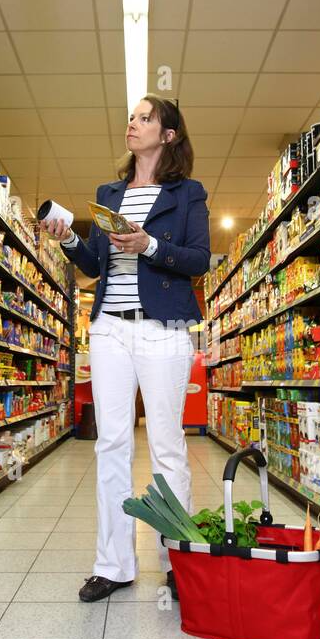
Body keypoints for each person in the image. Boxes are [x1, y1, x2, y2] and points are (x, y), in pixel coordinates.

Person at [40, 95, 211, 602]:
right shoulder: (109, 192)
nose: (132, 123)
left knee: (166, 447)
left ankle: (178, 559)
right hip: (110, 328)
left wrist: (150, 246)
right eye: (131, 117)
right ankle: (113, 564)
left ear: (169, 135)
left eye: (144, 118)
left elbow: (198, 260)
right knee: (111, 443)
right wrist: (69, 238)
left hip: (163, 328)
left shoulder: (188, 194)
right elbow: (95, 265)